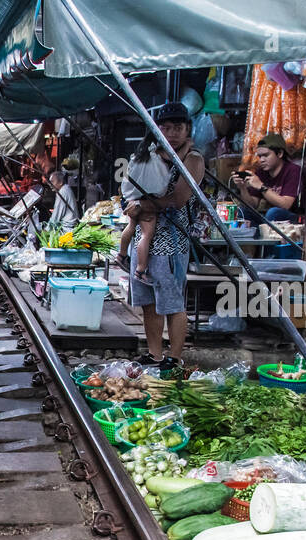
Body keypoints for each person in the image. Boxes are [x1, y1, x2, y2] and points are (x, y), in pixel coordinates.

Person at [125, 101, 205, 370]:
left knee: (172, 303)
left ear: (187, 129)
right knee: (148, 303)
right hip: (143, 238)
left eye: (178, 128)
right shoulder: (151, 155)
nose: (171, 133)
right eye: (166, 127)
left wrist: (141, 206)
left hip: (171, 242)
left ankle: (174, 356)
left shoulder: (192, 159)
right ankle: (154, 353)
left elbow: (179, 198)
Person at [116, 137, 174, 276]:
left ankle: (121, 254)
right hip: (147, 201)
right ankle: (141, 269)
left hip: (132, 200)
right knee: (146, 235)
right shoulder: (157, 160)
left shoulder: (137, 158)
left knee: (130, 227)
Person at [230, 133, 305, 222]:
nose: (261, 160)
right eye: (260, 156)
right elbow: (252, 205)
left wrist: (261, 187)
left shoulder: (293, 170)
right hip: (269, 218)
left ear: (280, 153)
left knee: (273, 212)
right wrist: (242, 188)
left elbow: (286, 205)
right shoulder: (261, 172)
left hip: (292, 218)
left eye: (266, 155)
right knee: (242, 212)